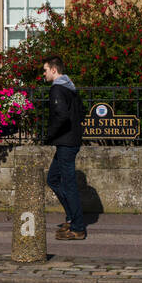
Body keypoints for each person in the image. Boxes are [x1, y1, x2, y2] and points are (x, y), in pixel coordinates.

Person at [42, 55, 86, 239]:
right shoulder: (71, 88)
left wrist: (49, 135)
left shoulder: (58, 89)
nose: (43, 74)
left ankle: (77, 227)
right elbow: (82, 112)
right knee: (52, 179)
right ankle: (71, 217)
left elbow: (61, 116)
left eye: (44, 70)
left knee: (68, 185)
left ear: (54, 70)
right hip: (70, 141)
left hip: (66, 143)